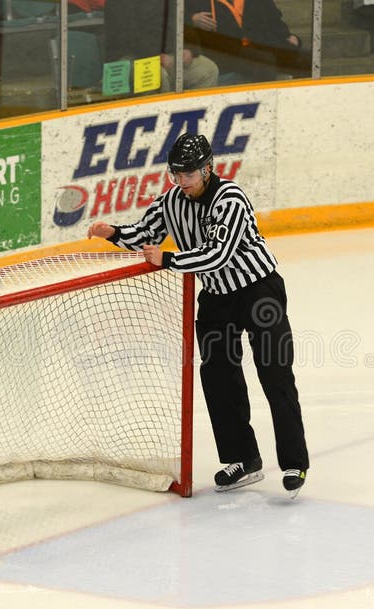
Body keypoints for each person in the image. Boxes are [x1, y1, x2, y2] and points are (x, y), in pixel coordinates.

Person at [86, 133, 310, 496]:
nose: (181, 181)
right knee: (219, 378)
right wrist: (113, 232)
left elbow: (217, 254)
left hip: (258, 292)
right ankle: (243, 459)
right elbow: (145, 233)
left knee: (275, 375)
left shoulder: (230, 198)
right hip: (217, 299)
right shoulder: (171, 202)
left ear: (208, 169)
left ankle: (295, 463)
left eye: (188, 174)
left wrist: (170, 259)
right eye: (176, 174)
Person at [105, 0, 219, 92]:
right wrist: (156, 56)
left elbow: (178, 21)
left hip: (163, 53)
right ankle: (163, 119)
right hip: (127, 59)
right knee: (158, 76)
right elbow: (126, 36)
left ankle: (191, 117)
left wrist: (188, 49)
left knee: (208, 70)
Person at [185, 0, 309, 82]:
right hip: (224, 52)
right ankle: (264, 111)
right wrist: (192, 19)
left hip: (260, 44)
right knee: (264, 62)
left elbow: (273, 18)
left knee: (306, 59)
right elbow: (173, 16)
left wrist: (289, 37)